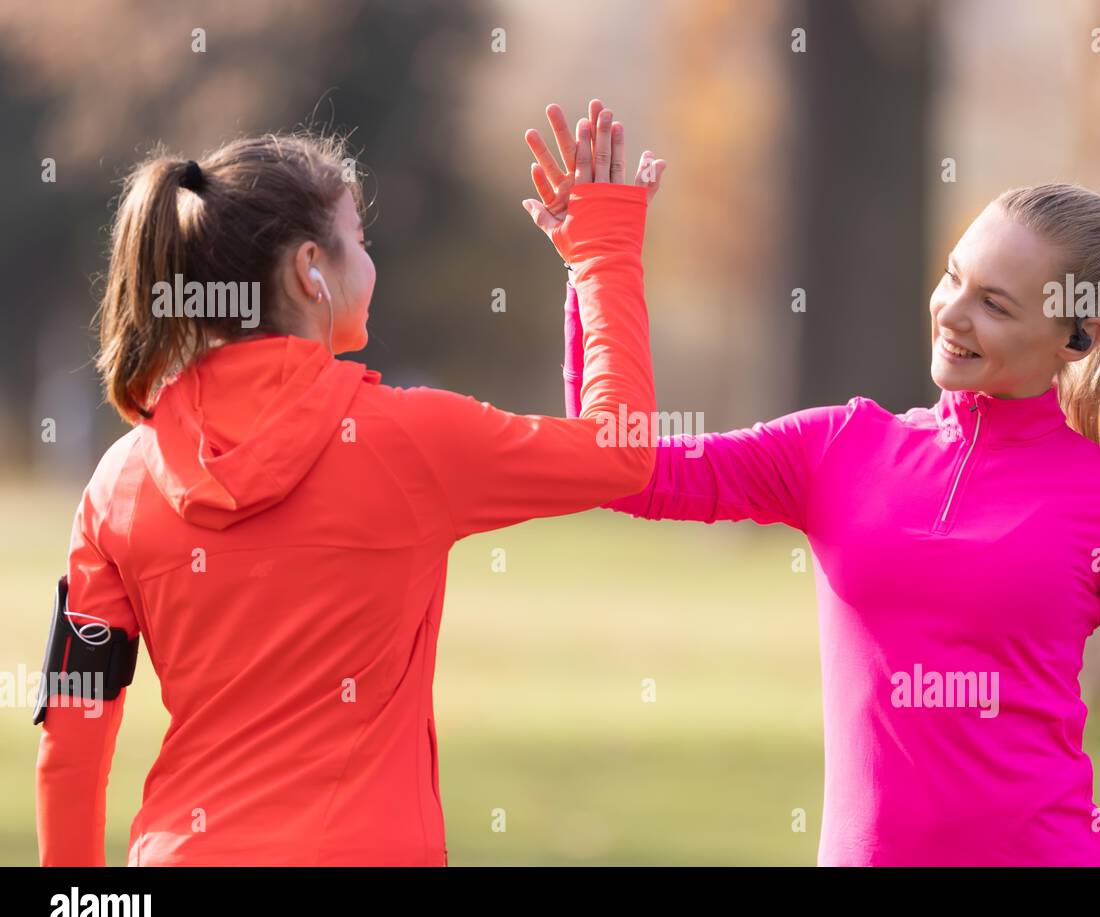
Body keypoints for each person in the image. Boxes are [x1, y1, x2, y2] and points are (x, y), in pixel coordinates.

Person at [35, 101, 664, 866]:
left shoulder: (117, 483)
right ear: (310, 270)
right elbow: (620, 452)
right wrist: (601, 252)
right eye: (359, 241)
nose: (371, 262)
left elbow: (74, 727)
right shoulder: (410, 439)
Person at [546, 174, 1100, 866]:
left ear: (1076, 338)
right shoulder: (839, 449)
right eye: (953, 277)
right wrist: (596, 265)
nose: (952, 312)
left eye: (994, 304)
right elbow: (622, 471)